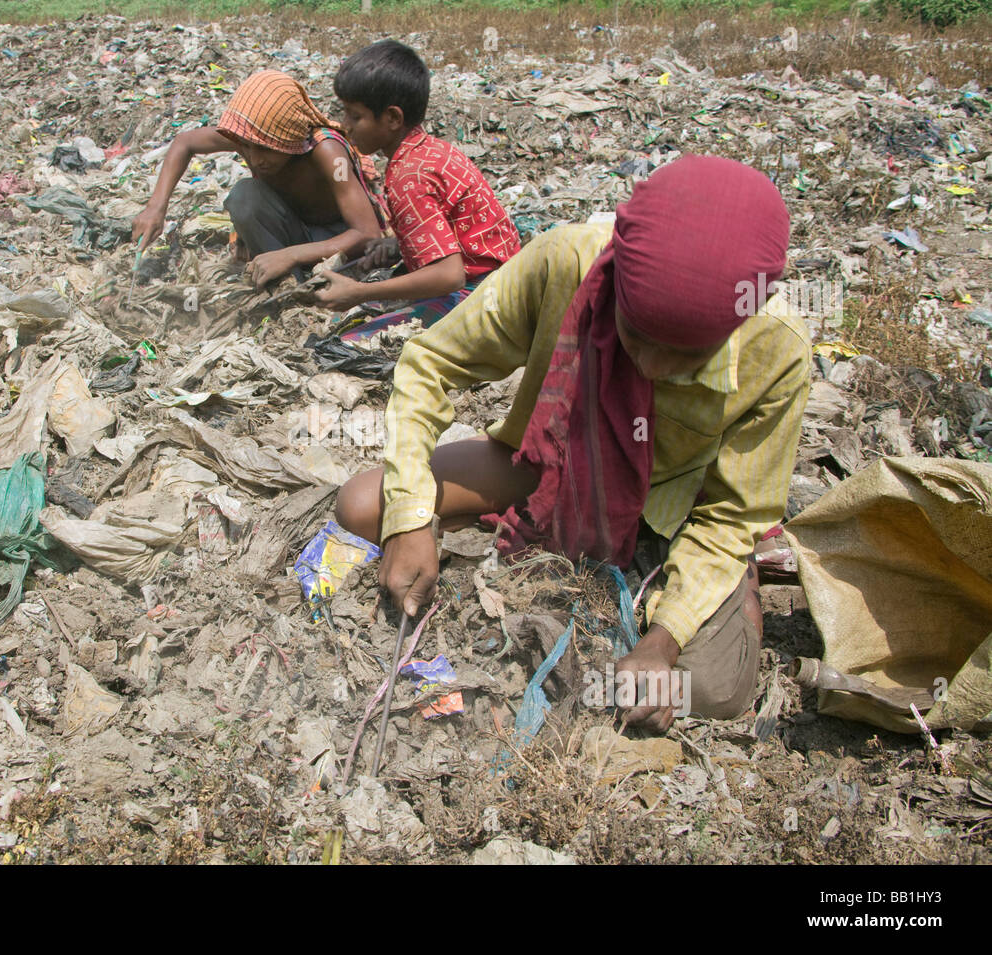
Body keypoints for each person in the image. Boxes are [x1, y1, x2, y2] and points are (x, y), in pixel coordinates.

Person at [335, 155, 812, 733]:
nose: (650, 366)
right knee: (365, 508)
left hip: (673, 513)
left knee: (709, 687)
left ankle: (734, 583)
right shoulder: (568, 263)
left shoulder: (776, 350)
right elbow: (430, 363)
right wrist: (411, 521)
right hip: (557, 464)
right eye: (634, 333)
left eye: (686, 357)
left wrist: (663, 642)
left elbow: (730, 514)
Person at [316, 39, 521, 339]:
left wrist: (359, 292)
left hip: (485, 296)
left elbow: (449, 276)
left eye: (355, 116)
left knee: (347, 343)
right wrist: (399, 246)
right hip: (506, 280)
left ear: (392, 118)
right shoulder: (430, 150)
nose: (345, 125)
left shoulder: (408, 177)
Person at [130, 69, 383, 288]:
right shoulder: (248, 138)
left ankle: (292, 274)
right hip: (293, 230)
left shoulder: (327, 153)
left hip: (336, 242)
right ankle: (284, 283)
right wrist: (156, 207)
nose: (255, 158)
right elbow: (184, 142)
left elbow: (368, 234)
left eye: (266, 149)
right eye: (247, 147)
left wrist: (290, 255)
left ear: (290, 139)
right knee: (244, 196)